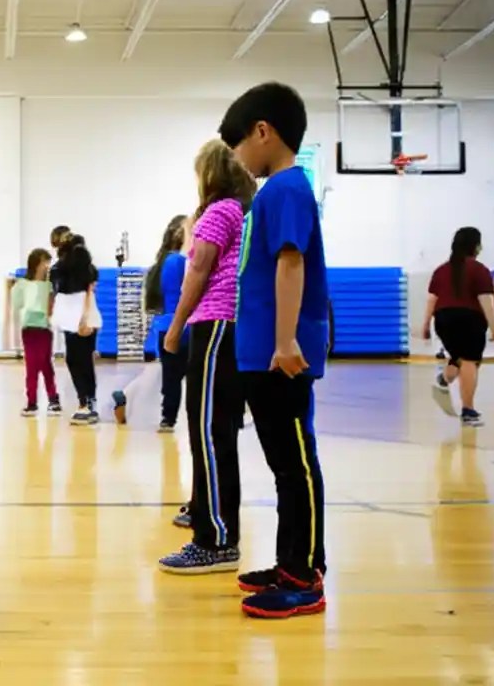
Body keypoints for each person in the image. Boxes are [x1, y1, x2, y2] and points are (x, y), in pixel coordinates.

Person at [221, 81, 329, 619]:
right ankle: (291, 562)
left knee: (295, 463)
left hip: (279, 353)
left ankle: (305, 575)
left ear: (263, 132)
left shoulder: (286, 188)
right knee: (283, 464)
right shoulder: (274, 192)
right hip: (261, 352)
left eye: (239, 145)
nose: (238, 159)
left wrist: (286, 340)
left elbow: (292, 261)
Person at [158, 139, 255, 575]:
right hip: (235, 328)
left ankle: (214, 539)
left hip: (216, 327)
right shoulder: (242, 210)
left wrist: (175, 328)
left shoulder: (218, 212)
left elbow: (198, 272)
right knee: (217, 432)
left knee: (208, 432)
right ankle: (205, 511)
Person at [420, 226, 494, 426]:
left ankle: (443, 380)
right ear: (476, 246)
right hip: (470, 319)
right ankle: (468, 410)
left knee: (458, 358)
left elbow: (432, 300)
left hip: (444, 320)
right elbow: (486, 302)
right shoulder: (479, 270)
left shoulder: (441, 270)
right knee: (470, 362)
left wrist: (425, 325)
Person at [144, 215, 188, 433]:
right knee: (185, 378)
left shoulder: (159, 264)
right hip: (181, 327)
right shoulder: (178, 262)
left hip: (162, 326)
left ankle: (167, 417)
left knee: (170, 377)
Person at [52, 234, 101, 425]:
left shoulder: (67, 269)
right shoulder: (77, 269)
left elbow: (87, 294)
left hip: (79, 317)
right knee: (81, 360)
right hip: (78, 317)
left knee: (77, 360)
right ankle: (87, 400)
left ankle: (86, 402)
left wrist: (84, 319)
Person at [12, 248, 61, 416]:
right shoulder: (23, 284)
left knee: (45, 364)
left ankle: (53, 399)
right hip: (29, 329)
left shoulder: (48, 286)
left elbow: (50, 307)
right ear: (36, 264)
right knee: (32, 365)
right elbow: (17, 303)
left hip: (44, 328)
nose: (47, 266)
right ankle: (32, 402)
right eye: (44, 262)